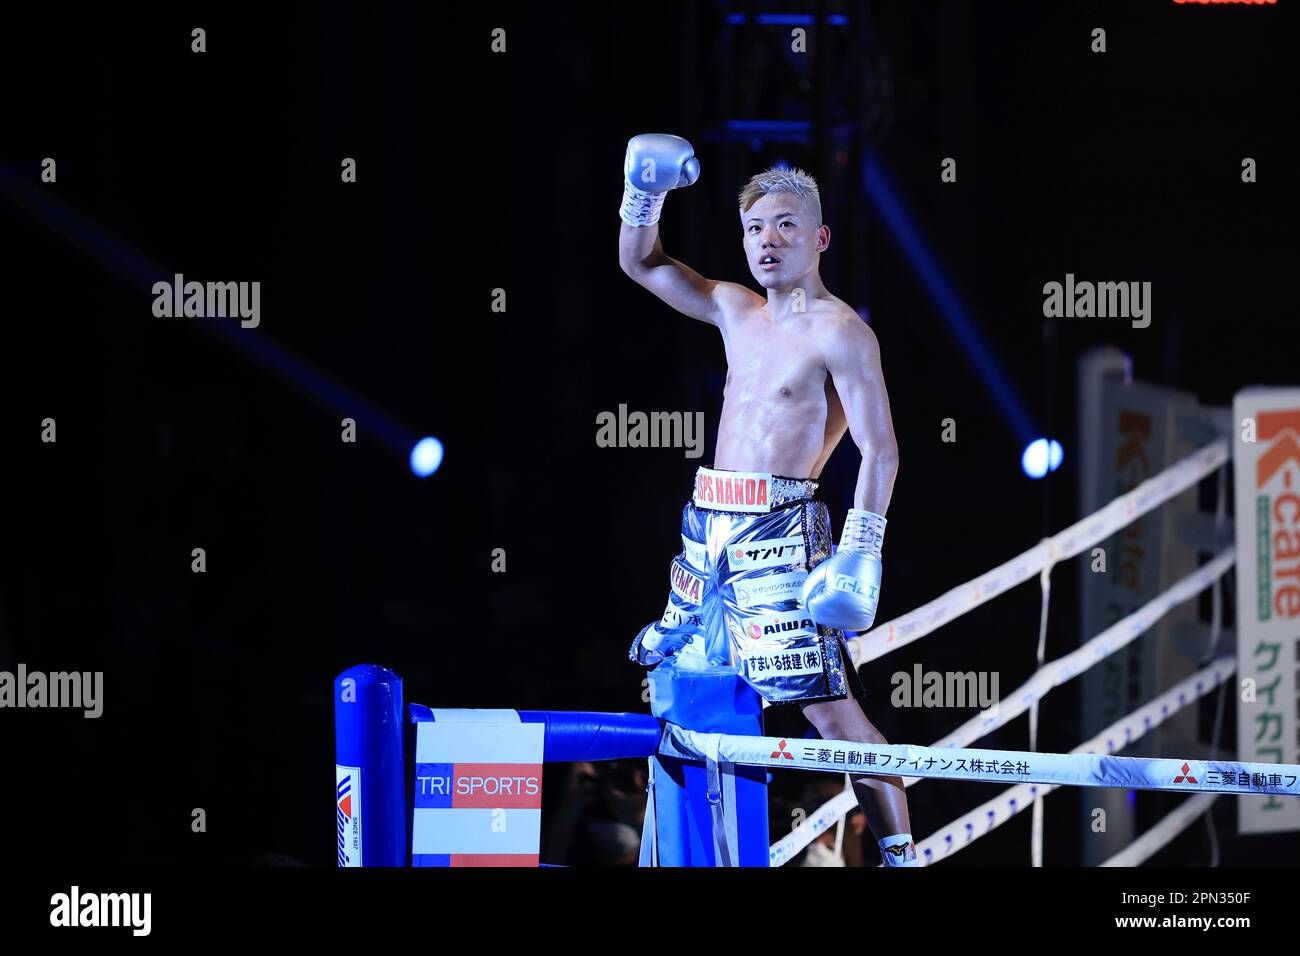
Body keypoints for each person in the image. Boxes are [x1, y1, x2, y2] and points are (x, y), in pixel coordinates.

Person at [619, 133, 916, 867]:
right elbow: (641, 261)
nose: (766, 240)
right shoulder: (734, 309)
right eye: (754, 227)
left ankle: (903, 856)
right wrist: (643, 195)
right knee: (676, 674)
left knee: (826, 705)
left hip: (781, 528)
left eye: (785, 224)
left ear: (819, 237)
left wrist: (860, 551)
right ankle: (693, 852)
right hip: (707, 524)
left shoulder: (843, 333)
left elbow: (880, 448)